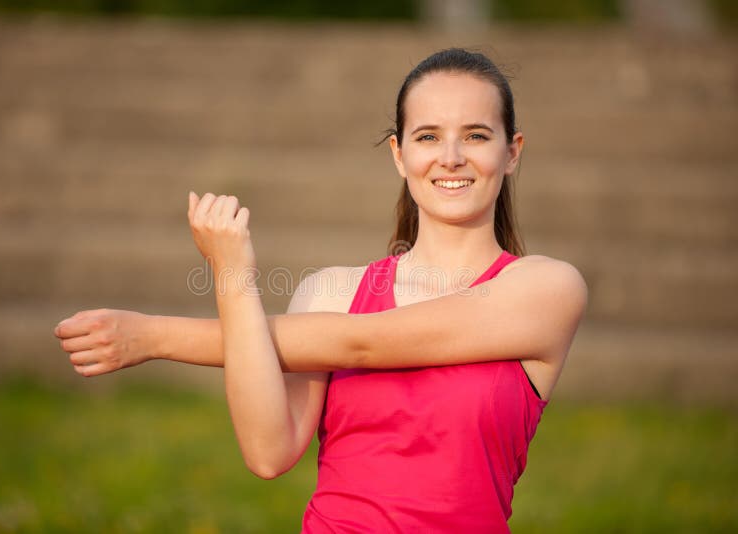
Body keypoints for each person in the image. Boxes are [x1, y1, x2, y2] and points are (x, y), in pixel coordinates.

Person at [55, 48, 587, 532]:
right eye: (427, 136)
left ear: (512, 151)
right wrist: (231, 273)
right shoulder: (330, 291)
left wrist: (151, 336)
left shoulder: (546, 288)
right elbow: (269, 451)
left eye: (475, 134)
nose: (450, 156)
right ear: (400, 155)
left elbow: (363, 344)